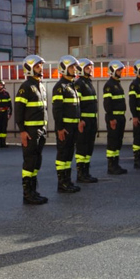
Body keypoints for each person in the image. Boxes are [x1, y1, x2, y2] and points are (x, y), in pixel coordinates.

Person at [14, 54, 49, 204]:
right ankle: (27, 194)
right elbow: (19, 111)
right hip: (30, 131)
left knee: (36, 161)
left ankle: (34, 191)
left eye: (41, 65)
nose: (40, 68)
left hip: (41, 130)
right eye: (37, 66)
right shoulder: (26, 87)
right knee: (29, 162)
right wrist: (22, 131)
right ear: (28, 68)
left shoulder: (40, 85)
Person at [51, 54, 82, 193]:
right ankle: (61, 183)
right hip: (65, 128)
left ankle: (67, 181)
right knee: (63, 155)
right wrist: (60, 129)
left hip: (73, 127)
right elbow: (57, 110)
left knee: (69, 154)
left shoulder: (71, 86)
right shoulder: (60, 87)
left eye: (75, 67)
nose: (74, 69)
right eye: (71, 67)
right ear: (63, 68)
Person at [74, 57, 99, 184]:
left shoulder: (88, 83)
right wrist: (80, 120)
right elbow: (77, 104)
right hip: (84, 120)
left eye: (91, 67)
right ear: (81, 69)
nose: (91, 69)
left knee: (89, 146)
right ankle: (80, 173)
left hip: (91, 120)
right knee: (82, 147)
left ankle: (86, 172)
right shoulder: (79, 84)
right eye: (88, 67)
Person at [102, 60, 128, 175]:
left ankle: (116, 164)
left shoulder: (117, 84)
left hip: (120, 117)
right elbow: (107, 103)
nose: (120, 72)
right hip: (114, 118)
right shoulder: (109, 85)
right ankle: (111, 165)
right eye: (118, 70)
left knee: (118, 141)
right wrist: (112, 118)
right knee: (113, 141)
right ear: (112, 71)